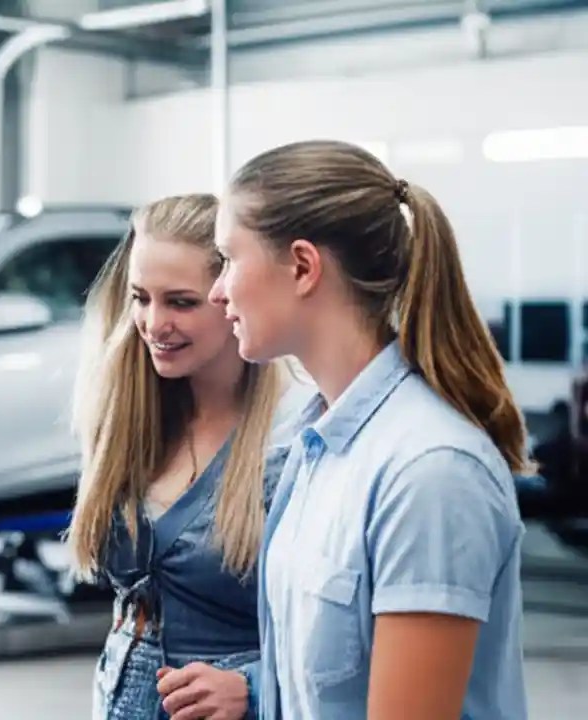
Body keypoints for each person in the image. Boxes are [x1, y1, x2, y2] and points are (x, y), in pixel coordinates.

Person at [208, 139, 530, 720]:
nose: (217, 291)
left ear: (303, 266)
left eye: (229, 259)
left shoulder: (430, 472)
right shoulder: (318, 447)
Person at [66, 194, 306, 720]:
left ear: (231, 294)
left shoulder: (294, 439)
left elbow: (345, 638)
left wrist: (256, 687)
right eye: (140, 298)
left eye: (180, 302)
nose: (153, 324)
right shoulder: (132, 412)